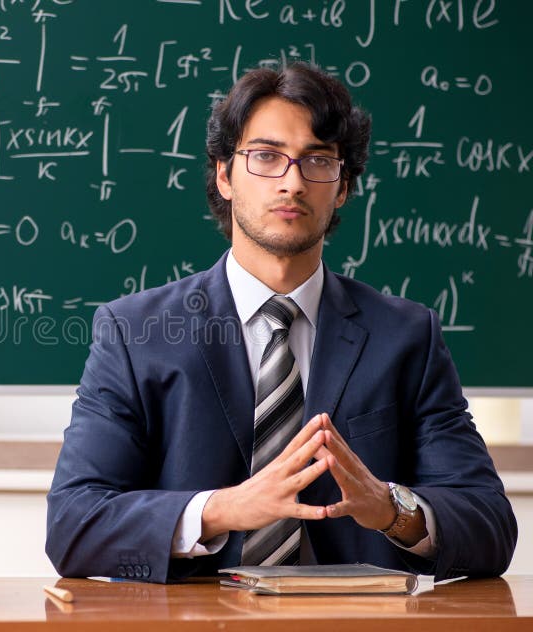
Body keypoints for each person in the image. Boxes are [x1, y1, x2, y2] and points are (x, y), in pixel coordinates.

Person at [45, 63, 517, 583]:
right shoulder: (134, 333)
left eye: (318, 160)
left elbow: (491, 527)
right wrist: (223, 509)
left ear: (341, 188)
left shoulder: (407, 337)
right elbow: (73, 525)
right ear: (224, 175)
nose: (293, 182)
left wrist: (389, 508)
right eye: (266, 157)